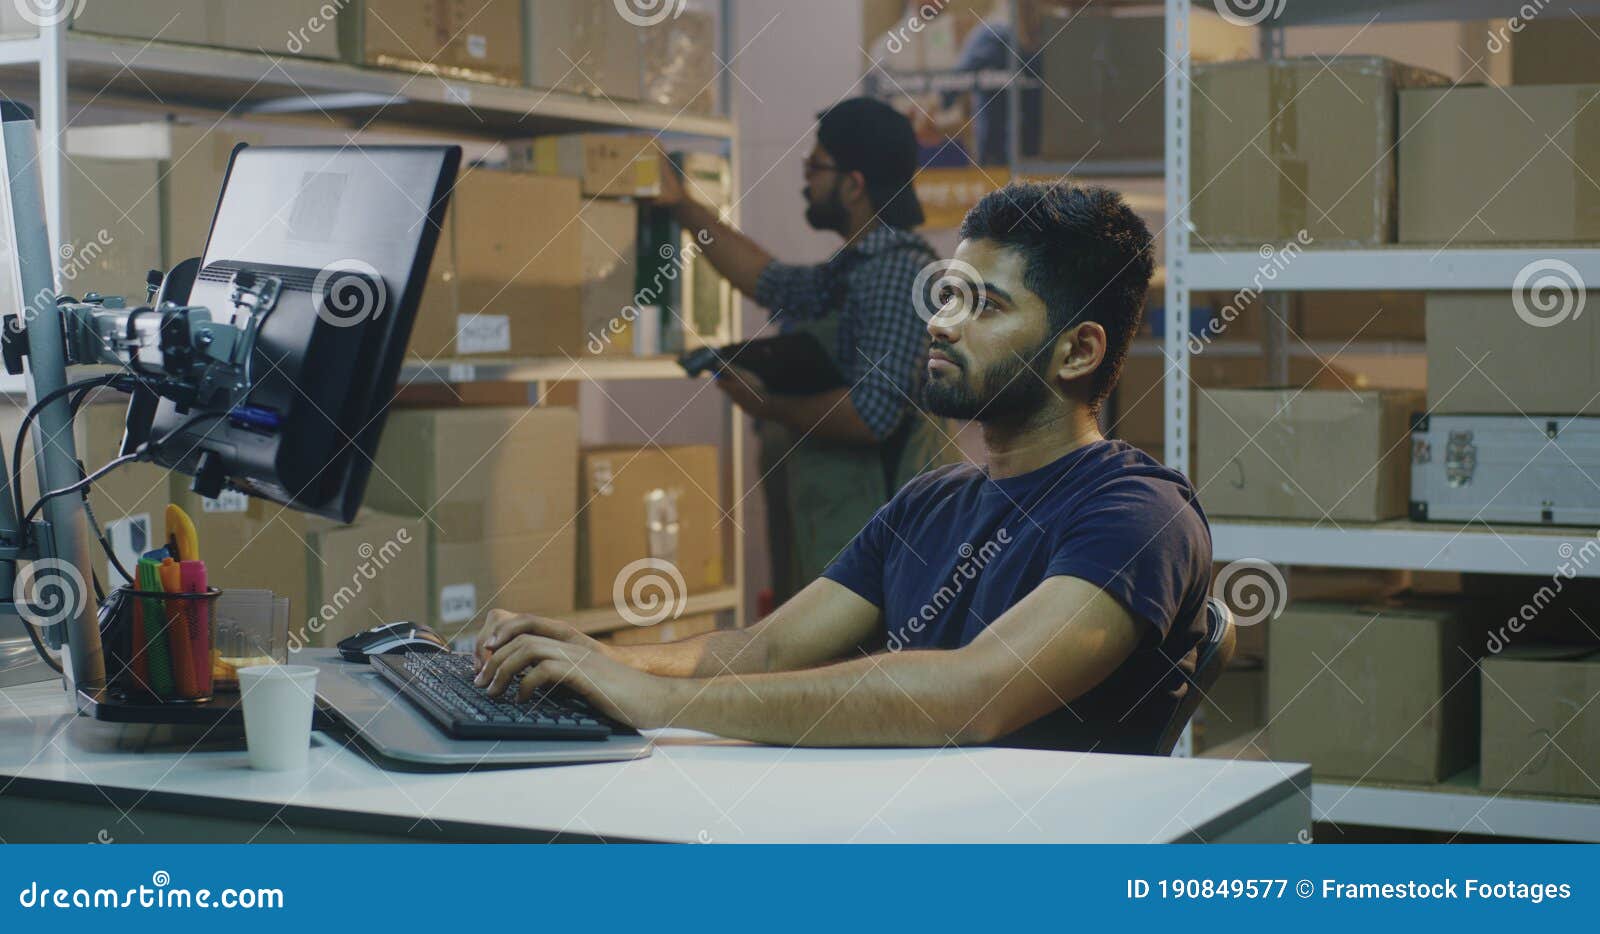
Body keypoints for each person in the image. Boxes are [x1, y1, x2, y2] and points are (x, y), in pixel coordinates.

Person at [478, 181, 1212, 754]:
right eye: (948, 296)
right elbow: (762, 649)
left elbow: (976, 691)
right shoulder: (932, 502)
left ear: (1078, 351)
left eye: (982, 307)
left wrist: (655, 702)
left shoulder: (1139, 513)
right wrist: (588, 658)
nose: (941, 322)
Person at [652, 96, 952, 601]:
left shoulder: (896, 272)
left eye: (815, 167)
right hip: (840, 542)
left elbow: (870, 414)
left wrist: (765, 403)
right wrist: (682, 205)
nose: (805, 181)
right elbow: (767, 280)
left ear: (854, 185)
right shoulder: (852, 269)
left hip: (885, 562)